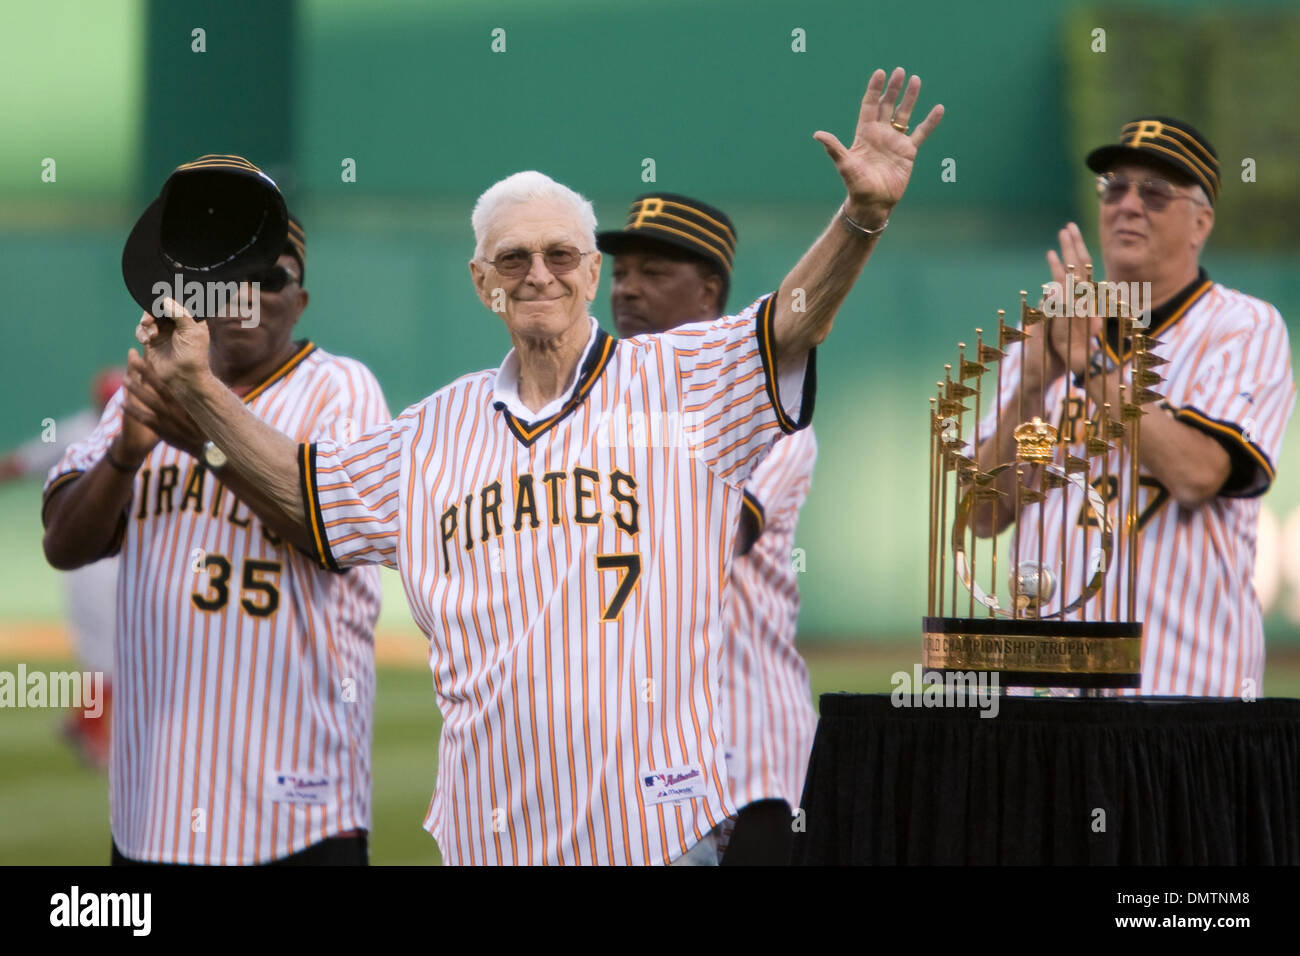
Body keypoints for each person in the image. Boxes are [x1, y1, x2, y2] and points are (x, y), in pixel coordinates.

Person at [134, 68, 943, 865]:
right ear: (483, 283)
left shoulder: (681, 382)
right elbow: (308, 497)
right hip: (488, 838)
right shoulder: (431, 433)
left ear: (591, 272)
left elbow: (789, 327)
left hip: (656, 834)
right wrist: (200, 391)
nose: (539, 274)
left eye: (562, 254)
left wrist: (861, 217)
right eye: (512, 260)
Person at [42, 168, 390, 864]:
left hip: (300, 810)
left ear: (303, 299)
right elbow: (64, 541)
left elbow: (329, 530)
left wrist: (202, 438)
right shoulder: (149, 384)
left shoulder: (339, 388)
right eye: (238, 276)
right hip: (153, 813)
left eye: (274, 278)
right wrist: (125, 456)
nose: (253, 296)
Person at [972, 117, 1295, 696]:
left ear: (1201, 223)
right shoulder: (1051, 336)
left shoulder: (1241, 327)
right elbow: (984, 516)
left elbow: (1197, 474)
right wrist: (1029, 391)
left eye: (1155, 193)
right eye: (1114, 188)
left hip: (1180, 703)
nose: (1128, 205)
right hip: (1044, 697)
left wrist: (1092, 366)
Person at [597, 194, 817, 864]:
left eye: (654, 272)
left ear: (709, 291)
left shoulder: (769, 407)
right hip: (639, 762)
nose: (627, 287)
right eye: (621, 271)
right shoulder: (597, 405)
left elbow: (714, 531)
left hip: (749, 755)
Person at [2, 368, 123, 769]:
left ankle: (80, 721)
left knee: (122, 647)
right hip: (86, 554)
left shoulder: (147, 432)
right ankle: (87, 728)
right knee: (104, 650)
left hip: (127, 554)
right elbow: (19, 463)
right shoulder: (73, 431)